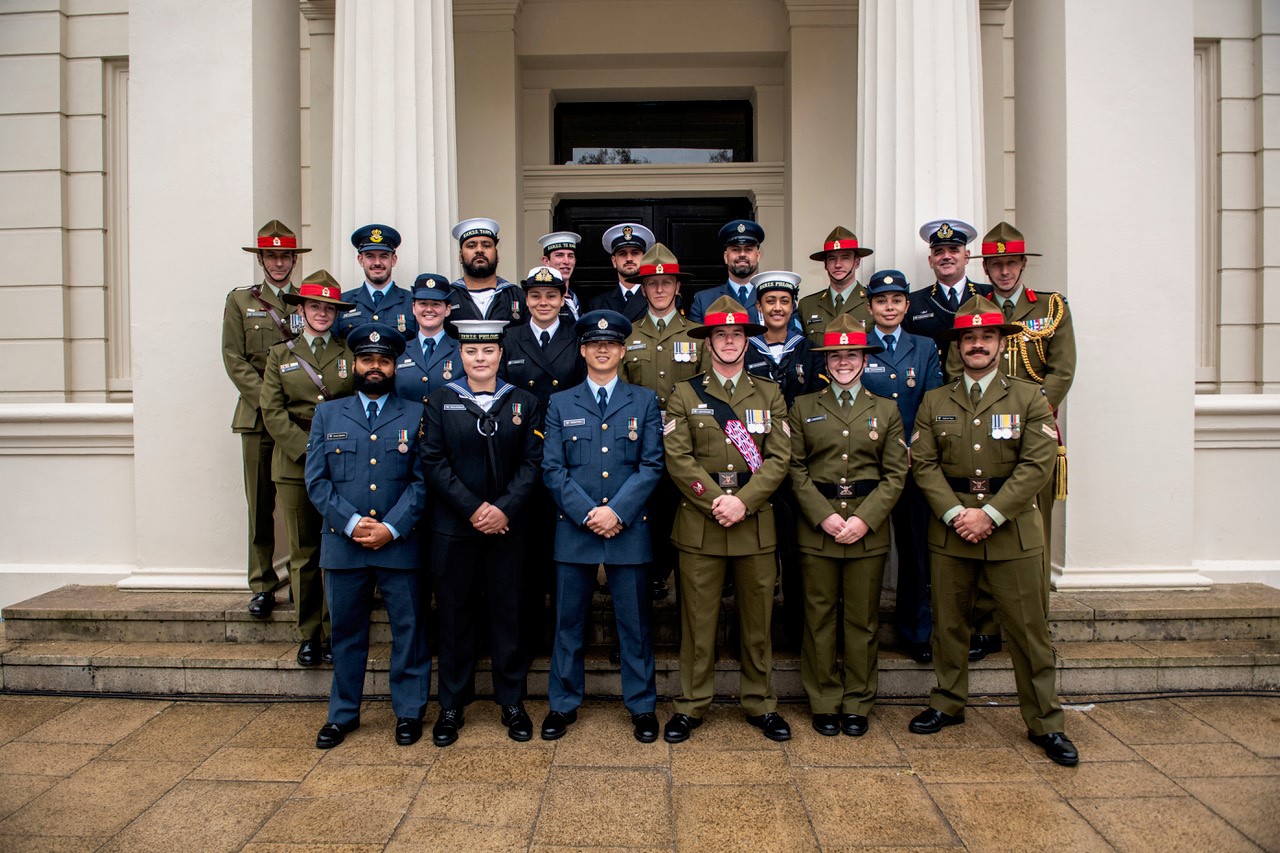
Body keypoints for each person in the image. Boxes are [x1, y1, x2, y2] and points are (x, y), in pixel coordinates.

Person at [907, 295, 1078, 767]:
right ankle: (947, 701)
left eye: (986, 336)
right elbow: (922, 463)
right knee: (949, 624)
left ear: (1002, 344)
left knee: (1029, 631)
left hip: (1012, 531)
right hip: (952, 528)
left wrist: (991, 514)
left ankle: (1045, 721)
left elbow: (1037, 464)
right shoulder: (935, 400)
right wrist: (955, 513)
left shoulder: (1029, 398)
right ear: (957, 346)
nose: (977, 345)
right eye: (969, 337)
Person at [661, 295, 791, 743]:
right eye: (721, 334)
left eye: (737, 334)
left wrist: (745, 501)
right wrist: (718, 500)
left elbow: (779, 458)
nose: (730, 341)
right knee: (698, 623)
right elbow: (678, 459)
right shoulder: (684, 394)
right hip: (702, 521)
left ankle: (760, 703)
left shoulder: (769, 393)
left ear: (746, 340)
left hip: (754, 523)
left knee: (757, 623)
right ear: (708, 342)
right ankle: (693, 704)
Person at [540, 310, 665, 743]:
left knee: (634, 624)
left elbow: (651, 465)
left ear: (622, 350)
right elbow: (553, 469)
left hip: (628, 528)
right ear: (583, 350)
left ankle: (642, 705)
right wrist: (589, 513)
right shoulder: (561, 402)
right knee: (568, 623)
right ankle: (563, 704)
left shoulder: (644, 400)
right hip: (575, 528)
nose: (603, 349)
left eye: (610, 344)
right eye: (594, 344)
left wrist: (618, 512)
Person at [306, 323, 430, 749]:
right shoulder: (328, 414)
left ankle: (410, 712)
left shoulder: (416, 413)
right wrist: (353, 522)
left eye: (384, 360)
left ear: (395, 366)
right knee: (346, 633)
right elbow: (317, 482)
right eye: (367, 360)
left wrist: (391, 526)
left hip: (400, 544)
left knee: (409, 632)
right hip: (343, 545)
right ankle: (343, 715)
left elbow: (422, 481)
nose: (375, 367)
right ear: (354, 364)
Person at [422, 319, 543, 746]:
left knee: (508, 615)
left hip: (508, 529)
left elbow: (533, 463)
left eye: (488, 352)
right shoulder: (440, 400)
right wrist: (475, 509)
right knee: (455, 617)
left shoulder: (523, 402)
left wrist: (502, 509)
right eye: (472, 352)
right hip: (456, 529)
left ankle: (511, 700)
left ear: (498, 356)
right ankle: (452, 704)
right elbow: (433, 462)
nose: (479, 359)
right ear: (461, 356)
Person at [788, 314, 907, 736]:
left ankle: (857, 700)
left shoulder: (886, 409)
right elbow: (795, 469)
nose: (843, 362)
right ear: (825, 361)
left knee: (861, 620)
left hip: (866, 530)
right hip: (818, 527)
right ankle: (823, 699)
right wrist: (824, 515)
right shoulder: (803, 407)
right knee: (818, 617)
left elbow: (895, 475)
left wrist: (864, 518)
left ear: (863, 359)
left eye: (851, 354)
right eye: (836, 355)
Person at [960, 222, 1076, 606]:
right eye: (996, 264)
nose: (1004, 271)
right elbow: (953, 368)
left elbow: (1061, 370)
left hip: (1031, 429)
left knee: (1033, 526)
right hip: (979, 432)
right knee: (981, 519)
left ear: (1023, 263)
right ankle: (988, 622)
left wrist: (1033, 413)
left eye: (1011, 263)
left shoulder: (1049, 307)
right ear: (986, 268)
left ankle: (1033, 615)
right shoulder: (974, 310)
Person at [260, 271, 356, 666]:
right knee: (303, 553)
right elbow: (271, 410)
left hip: (341, 464)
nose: (322, 314)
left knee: (337, 551)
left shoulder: (349, 353)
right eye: (315, 306)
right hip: (296, 461)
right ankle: (309, 633)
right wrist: (307, 451)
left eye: (329, 308)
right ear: (301, 309)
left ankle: (336, 631)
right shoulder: (280, 355)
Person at [858, 269, 945, 663]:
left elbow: (933, 404)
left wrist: (916, 445)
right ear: (870, 306)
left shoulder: (924, 347)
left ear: (907, 305)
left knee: (914, 552)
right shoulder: (858, 346)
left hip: (910, 465)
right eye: (881, 300)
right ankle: (861, 632)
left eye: (896, 300)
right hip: (866, 467)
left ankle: (917, 632)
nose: (889, 307)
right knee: (862, 553)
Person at [499, 265, 587, 652]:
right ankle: (529, 631)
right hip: (523, 449)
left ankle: (561, 633)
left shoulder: (578, 336)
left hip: (567, 449)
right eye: (535, 295)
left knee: (562, 542)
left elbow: (584, 390)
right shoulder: (509, 337)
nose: (544, 302)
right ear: (526, 300)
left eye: (551, 295)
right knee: (527, 545)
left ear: (563, 298)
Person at [223, 219, 307, 618]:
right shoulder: (241, 301)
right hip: (258, 418)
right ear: (261, 259)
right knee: (260, 504)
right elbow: (234, 359)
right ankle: (261, 583)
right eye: (271, 256)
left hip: (297, 421)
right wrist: (271, 403)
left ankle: (300, 578)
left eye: (285, 255)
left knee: (298, 503)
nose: (278, 262)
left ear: (293, 259)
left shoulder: (305, 301)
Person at [743, 270, 825, 648]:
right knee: (755, 552)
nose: (777, 308)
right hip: (752, 461)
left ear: (794, 307)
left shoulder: (810, 350)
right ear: (758, 306)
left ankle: (794, 631)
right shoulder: (745, 348)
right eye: (769, 302)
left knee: (796, 553)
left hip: (798, 463)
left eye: (784, 301)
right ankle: (752, 635)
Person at [620, 242, 705, 600]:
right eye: (652, 283)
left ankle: (681, 573)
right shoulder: (628, 334)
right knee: (646, 512)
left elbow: (706, 390)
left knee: (683, 510)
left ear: (677, 287)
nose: (659, 289)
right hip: (641, 445)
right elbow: (622, 392)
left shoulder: (697, 334)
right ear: (643, 287)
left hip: (688, 444)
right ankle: (650, 574)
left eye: (666, 283)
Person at [903, 219, 993, 373]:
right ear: (931, 261)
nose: (946, 256)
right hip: (933, 387)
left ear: (967, 257)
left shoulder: (988, 295)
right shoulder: (913, 303)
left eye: (953, 250)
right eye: (939, 252)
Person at [797, 227, 874, 346]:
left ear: (857, 262)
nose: (838, 264)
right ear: (825, 264)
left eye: (845, 258)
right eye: (832, 259)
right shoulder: (807, 305)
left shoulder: (873, 302)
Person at [392, 273, 462, 405]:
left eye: (436, 304)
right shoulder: (399, 351)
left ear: (447, 309)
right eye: (423, 303)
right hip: (408, 425)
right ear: (413, 308)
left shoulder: (461, 351)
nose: (429, 309)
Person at [335, 224, 413, 340]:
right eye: (370, 256)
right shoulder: (343, 303)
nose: (377, 263)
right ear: (361, 260)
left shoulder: (411, 303)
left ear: (394, 260)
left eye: (384, 256)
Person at [446, 218, 525, 324]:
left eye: (486, 245)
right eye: (471, 246)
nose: (479, 250)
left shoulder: (517, 296)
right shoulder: (448, 296)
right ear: (460, 256)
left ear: (497, 254)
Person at [688, 219, 765, 324]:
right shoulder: (703, 301)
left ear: (758, 256)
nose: (742, 254)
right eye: (735, 249)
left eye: (748, 249)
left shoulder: (773, 298)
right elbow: (698, 339)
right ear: (726, 257)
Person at [590, 222, 655, 322]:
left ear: (644, 259)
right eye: (622, 254)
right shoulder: (597, 304)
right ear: (614, 261)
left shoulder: (658, 298)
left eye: (635, 253)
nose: (629, 258)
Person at [538, 230, 584, 319]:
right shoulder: (539, 300)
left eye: (570, 256)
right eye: (559, 255)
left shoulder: (578, 297)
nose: (566, 261)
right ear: (546, 261)